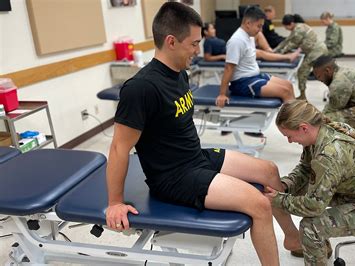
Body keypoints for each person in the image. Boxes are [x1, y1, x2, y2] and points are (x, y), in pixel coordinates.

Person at [105, 3, 284, 265]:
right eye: (193, 43)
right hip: (174, 177)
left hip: (195, 157)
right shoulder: (141, 88)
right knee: (260, 205)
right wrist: (115, 202)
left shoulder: (179, 74)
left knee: (269, 169)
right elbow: (119, 148)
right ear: (171, 42)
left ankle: (292, 237)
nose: (197, 50)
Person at [264, 100, 355, 265]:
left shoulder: (329, 154)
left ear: (304, 128)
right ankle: (321, 249)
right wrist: (286, 185)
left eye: (289, 135)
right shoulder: (323, 132)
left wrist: (277, 199)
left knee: (311, 227)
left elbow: (313, 206)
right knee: (304, 191)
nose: (289, 141)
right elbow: (305, 169)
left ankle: (317, 246)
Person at [216, 6, 295, 108]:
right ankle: (295, 122)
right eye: (259, 26)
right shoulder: (237, 41)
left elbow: (259, 53)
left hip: (254, 76)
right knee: (285, 91)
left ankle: (296, 117)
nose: (260, 30)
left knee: (288, 85)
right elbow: (228, 68)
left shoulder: (250, 36)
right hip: (242, 83)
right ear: (248, 23)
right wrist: (222, 94)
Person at [275, 14, 328, 100]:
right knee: (321, 73)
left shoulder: (298, 29)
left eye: (285, 26)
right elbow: (286, 41)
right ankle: (303, 95)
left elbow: (292, 44)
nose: (285, 28)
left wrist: (280, 53)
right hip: (318, 50)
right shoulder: (298, 27)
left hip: (316, 52)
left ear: (291, 23)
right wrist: (275, 50)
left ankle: (303, 96)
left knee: (302, 71)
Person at [202, 22, 300, 62]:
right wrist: (222, 57)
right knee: (259, 53)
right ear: (206, 31)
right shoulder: (207, 42)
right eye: (211, 29)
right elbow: (207, 58)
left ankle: (271, 52)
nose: (214, 30)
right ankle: (287, 57)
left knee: (258, 33)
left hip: (236, 48)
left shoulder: (213, 39)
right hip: (234, 53)